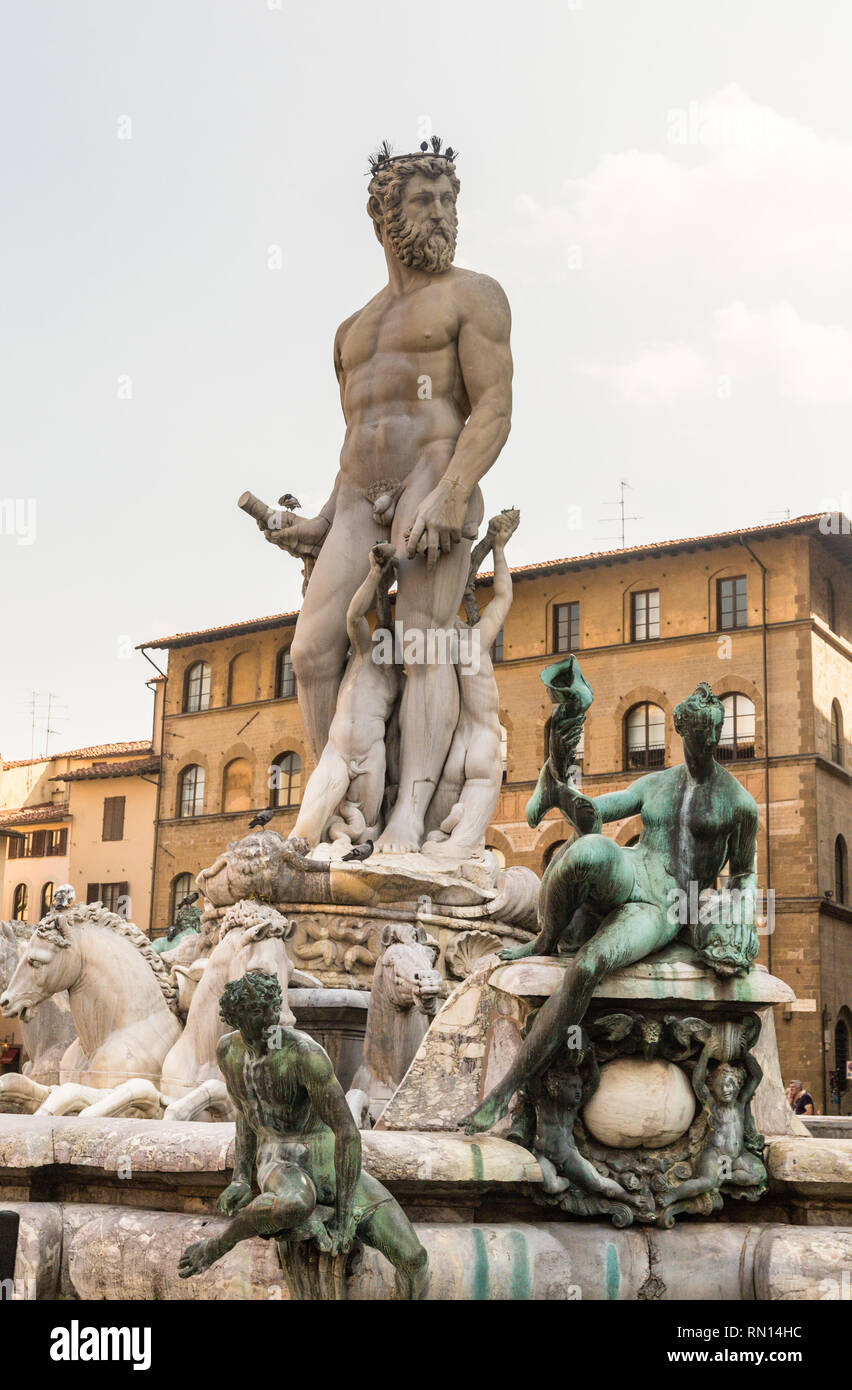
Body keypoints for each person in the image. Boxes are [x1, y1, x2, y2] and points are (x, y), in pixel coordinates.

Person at [256, 140, 512, 855]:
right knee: (311, 650)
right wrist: (317, 521)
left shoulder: (474, 295)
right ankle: (343, 810)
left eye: (449, 200)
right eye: (425, 201)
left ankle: (409, 817)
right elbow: (357, 436)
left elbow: (493, 408)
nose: (443, 215)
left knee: (424, 643)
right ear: (384, 217)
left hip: (436, 473)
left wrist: (454, 492)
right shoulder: (352, 332)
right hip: (361, 496)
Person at [462, 682, 760, 1134]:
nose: (707, 742)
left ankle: (506, 1090)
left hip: (666, 905)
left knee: (588, 966)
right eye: (698, 733)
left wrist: (737, 913)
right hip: (635, 865)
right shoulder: (656, 783)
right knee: (589, 849)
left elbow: (743, 874)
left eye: (713, 733)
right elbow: (597, 814)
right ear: (682, 731)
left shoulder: (738, 803)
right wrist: (566, 793)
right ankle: (545, 937)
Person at [178, 970, 428, 1299]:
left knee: (414, 1258)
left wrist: (343, 1215)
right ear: (235, 1016)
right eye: (258, 1011)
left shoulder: (303, 1053)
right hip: (280, 1160)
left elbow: (347, 1133)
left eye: (271, 1007)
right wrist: (241, 1177)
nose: (270, 1018)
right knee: (296, 1201)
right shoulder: (229, 1052)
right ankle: (217, 1245)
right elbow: (246, 1114)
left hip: (329, 1165)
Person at [290, 543, 399, 848]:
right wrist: (376, 574)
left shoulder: (399, 681)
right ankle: (304, 852)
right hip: (336, 752)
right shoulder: (365, 654)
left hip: (371, 758)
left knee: (367, 828)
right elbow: (354, 616)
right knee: (309, 822)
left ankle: (343, 847)